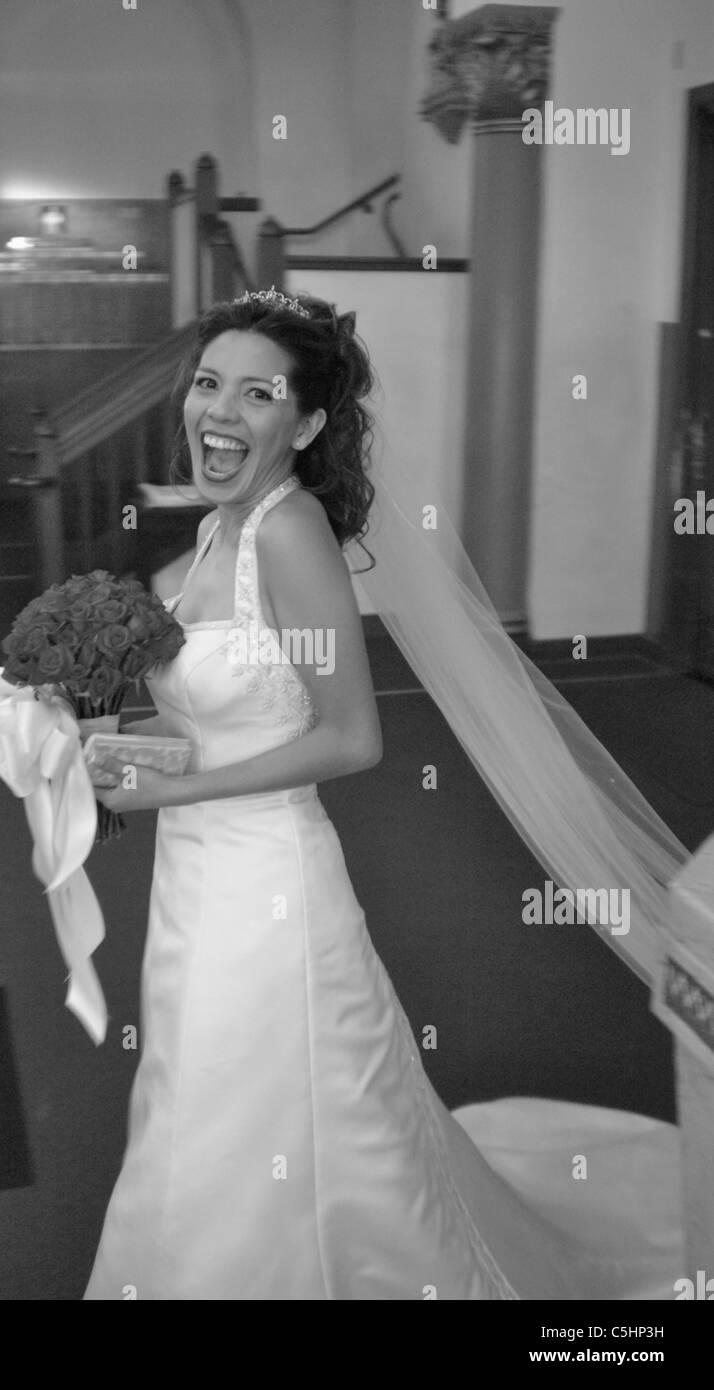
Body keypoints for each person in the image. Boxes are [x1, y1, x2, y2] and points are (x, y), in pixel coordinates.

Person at [82, 288, 683, 1300]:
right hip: (194, 883)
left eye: (257, 394)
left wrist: (170, 791)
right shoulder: (195, 553)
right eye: (208, 383)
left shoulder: (288, 530)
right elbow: (211, 730)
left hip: (269, 883)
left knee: (248, 1100)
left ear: (304, 424)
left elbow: (350, 737)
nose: (219, 413)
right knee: (199, 1093)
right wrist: (102, 750)